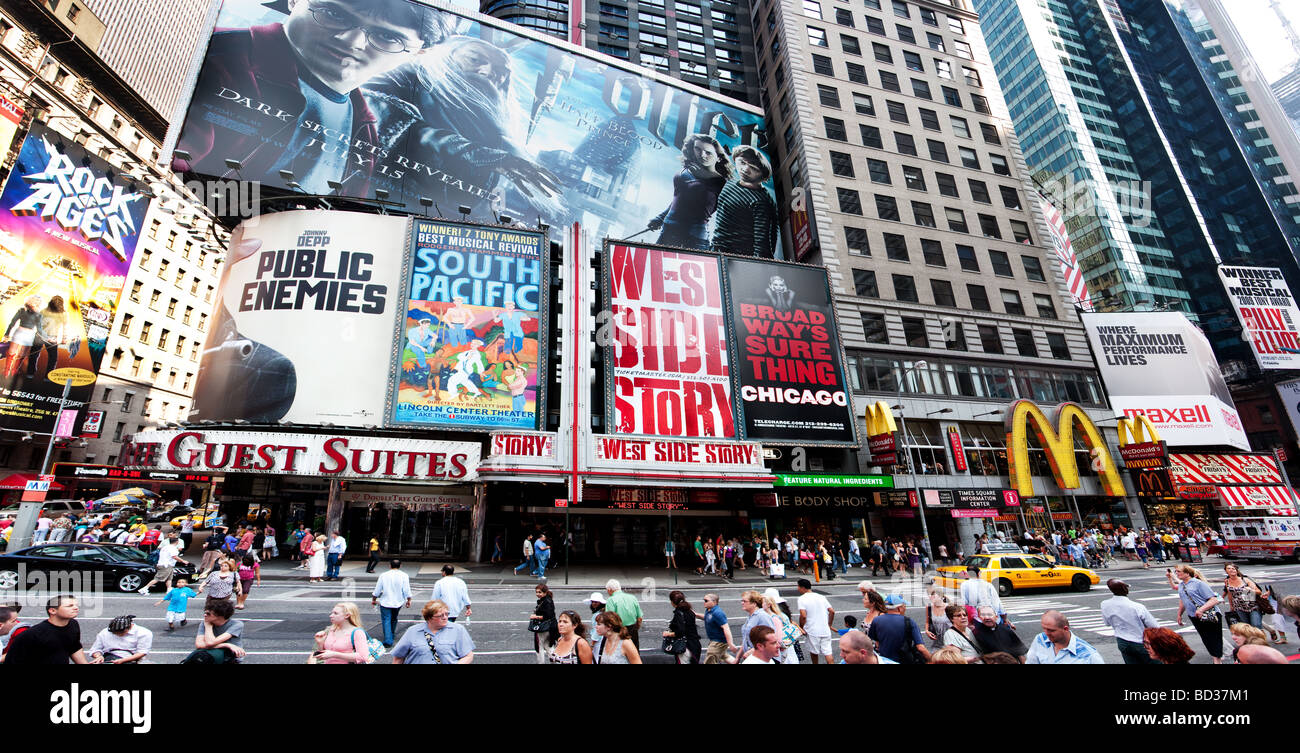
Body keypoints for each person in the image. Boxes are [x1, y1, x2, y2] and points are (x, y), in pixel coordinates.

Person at [172, 0, 446, 194]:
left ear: (419, 53)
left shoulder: (366, 131)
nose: (352, 41)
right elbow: (171, 173)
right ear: (294, 0)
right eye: (333, 13)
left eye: (388, 37)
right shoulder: (218, 55)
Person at [710, 145, 779, 258]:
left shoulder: (761, 201)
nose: (745, 169)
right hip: (715, 249)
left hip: (738, 258)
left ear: (763, 175)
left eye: (754, 168)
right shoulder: (730, 183)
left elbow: (763, 245)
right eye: (742, 162)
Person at [2, 595, 89, 665]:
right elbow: (14, 660)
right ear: (52, 611)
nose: (76, 608)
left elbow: (74, 647)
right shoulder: (33, 634)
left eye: (76, 605)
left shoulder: (73, 625)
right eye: (69, 606)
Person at [1168, 564, 1223, 664]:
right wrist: (1179, 614)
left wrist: (1201, 609)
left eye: (1179, 571)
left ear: (1187, 573)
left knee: (1214, 637)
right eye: (1176, 571)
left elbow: (1214, 600)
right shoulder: (1181, 585)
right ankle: (1216, 657)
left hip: (1209, 614)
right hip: (1194, 616)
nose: (1177, 573)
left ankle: (1217, 660)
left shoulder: (1198, 583)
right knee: (1206, 638)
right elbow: (1183, 600)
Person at [392, 599, 475, 664]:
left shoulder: (458, 630)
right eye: (440, 615)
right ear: (429, 618)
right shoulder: (413, 631)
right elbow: (398, 658)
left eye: (447, 614)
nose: (445, 617)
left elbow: (468, 656)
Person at [1100, 579, 1159, 664]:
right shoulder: (1137, 607)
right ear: (1125, 589)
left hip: (1122, 641)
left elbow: (1107, 623)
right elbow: (1154, 626)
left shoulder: (1105, 604)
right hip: (1140, 641)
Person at [867, 594, 930, 664]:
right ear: (899, 608)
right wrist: (932, 659)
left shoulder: (876, 620)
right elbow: (920, 647)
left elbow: (876, 642)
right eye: (904, 606)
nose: (905, 608)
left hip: (884, 660)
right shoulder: (909, 622)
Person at [1026, 610, 1104, 664]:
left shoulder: (1089, 655)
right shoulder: (1040, 640)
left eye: (1051, 630)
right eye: (1044, 628)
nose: (1046, 633)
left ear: (1065, 629)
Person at [182, 597, 246, 664]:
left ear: (220, 616)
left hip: (230, 657)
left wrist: (208, 627)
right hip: (211, 655)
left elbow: (210, 643)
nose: (205, 615)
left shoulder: (236, 624)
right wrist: (227, 645)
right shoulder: (205, 623)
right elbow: (199, 645)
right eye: (205, 612)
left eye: (208, 614)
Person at [372, 559, 412, 648]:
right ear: (400, 566)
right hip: (398, 601)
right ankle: (391, 635)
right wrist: (408, 600)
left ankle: (388, 640)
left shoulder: (384, 575)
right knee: (394, 618)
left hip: (385, 601)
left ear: (390, 565)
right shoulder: (404, 575)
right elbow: (406, 589)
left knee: (386, 619)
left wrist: (374, 599)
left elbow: (377, 589)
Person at [795, 578, 835, 664]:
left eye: (798, 586)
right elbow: (832, 611)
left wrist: (801, 627)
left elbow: (803, 616)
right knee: (828, 652)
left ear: (802, 587)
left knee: (814, 652)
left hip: (812, 630)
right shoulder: (821, 597)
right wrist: (829, 624)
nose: (797, 588)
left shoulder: (802, 599)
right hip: (825, 629)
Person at [89, 615, 153, 664]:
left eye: (120, 632)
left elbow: (142, 652)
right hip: (109, 657)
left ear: (129, 628)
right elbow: (95, 649)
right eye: (114, 633)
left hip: (133, 659)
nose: (117, 634)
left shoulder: (144, 633)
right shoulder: (105, 632)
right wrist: (98, 656)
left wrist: (123, 660)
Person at [1221, 563, 1266, 629]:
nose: (1231, 570)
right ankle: (1250, 639)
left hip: (1252, 606)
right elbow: (1230, 594)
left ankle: (1260, 638)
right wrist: (1231, 606)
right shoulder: (1227, 581)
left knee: (1256, 625)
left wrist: (1251, 590)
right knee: (1246, 627)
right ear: (1226, 571)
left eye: (1233, 568)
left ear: (1236, 570)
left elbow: (1259, 592)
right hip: (1239, 608)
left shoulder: (1245, 580)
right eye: (1229, 568)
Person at [662, 590, 701, 664]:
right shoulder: (689, 611)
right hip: (695, 644)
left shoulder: (679, 613)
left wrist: (668, 634)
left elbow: (680, 632)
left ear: (672, 602)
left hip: (685, 647)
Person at [604, 579, 643, 649]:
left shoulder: (611, 600)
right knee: (634, 652)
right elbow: (639, 617)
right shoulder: (632, 597)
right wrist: (636, 628)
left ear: (609, 589)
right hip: (632, 629)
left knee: (620, 653)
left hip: (619, 630)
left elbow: (609, 618)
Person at [702, 592, 737, 664]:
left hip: (718, 642)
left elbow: (726, 628)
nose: (704, 602)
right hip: (714, 640)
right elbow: (706, 618)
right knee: (724, 656)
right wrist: (695, 614)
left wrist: (731, 644)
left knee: (710, 660)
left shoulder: (718, 613)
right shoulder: (709, 610)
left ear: (714, 602)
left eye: (706, 601)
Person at [529, 583, 559, 657]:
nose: (537, 594)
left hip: (544, 627)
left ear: (545, 592)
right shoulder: (548, 600)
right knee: (549, 646)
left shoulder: (546, 602)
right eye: (536, 592)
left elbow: (547, 616)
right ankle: (555, 661)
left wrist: (535, 617)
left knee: (539, 647)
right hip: (551, 627)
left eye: (540, 592)